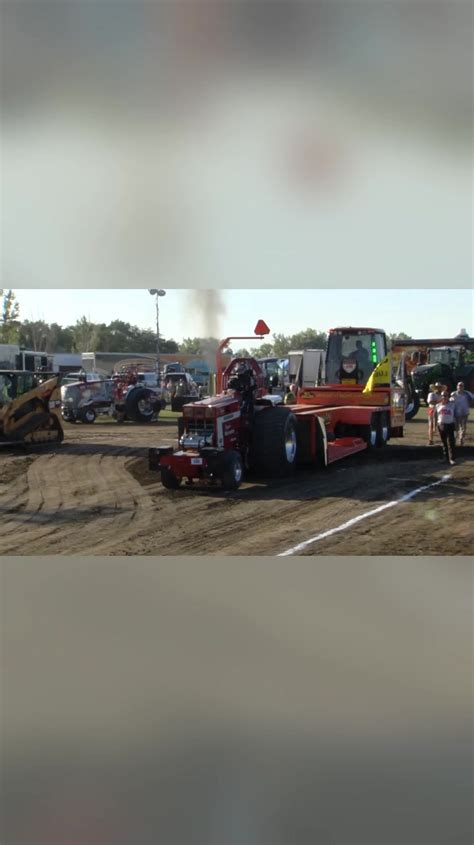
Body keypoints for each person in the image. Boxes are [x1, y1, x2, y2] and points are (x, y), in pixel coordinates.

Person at [435, 391, 456, 465]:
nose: (444, 397)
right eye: (443, 396)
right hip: (441, 425)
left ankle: (452, 459)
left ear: (448, 396)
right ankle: (446, 458)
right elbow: (436, 416)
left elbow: (455, 398)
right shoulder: (438, 406)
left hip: (450, 424)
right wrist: (436, 425)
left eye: (446, 395)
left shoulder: (452, 404)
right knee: (444, 442)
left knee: (451, 442)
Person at [450, 381, 470, 446]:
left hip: (464, 413)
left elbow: (472, 398)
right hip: (456, 413)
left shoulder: (467, 393)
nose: (460, 387)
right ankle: (454, 440)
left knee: (463, 428)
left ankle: (461, 439)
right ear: (457, 386)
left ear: (463, 387)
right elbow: (450, 401)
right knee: (456, 428)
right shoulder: (453, 394)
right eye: (459, 385)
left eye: (461, 385)